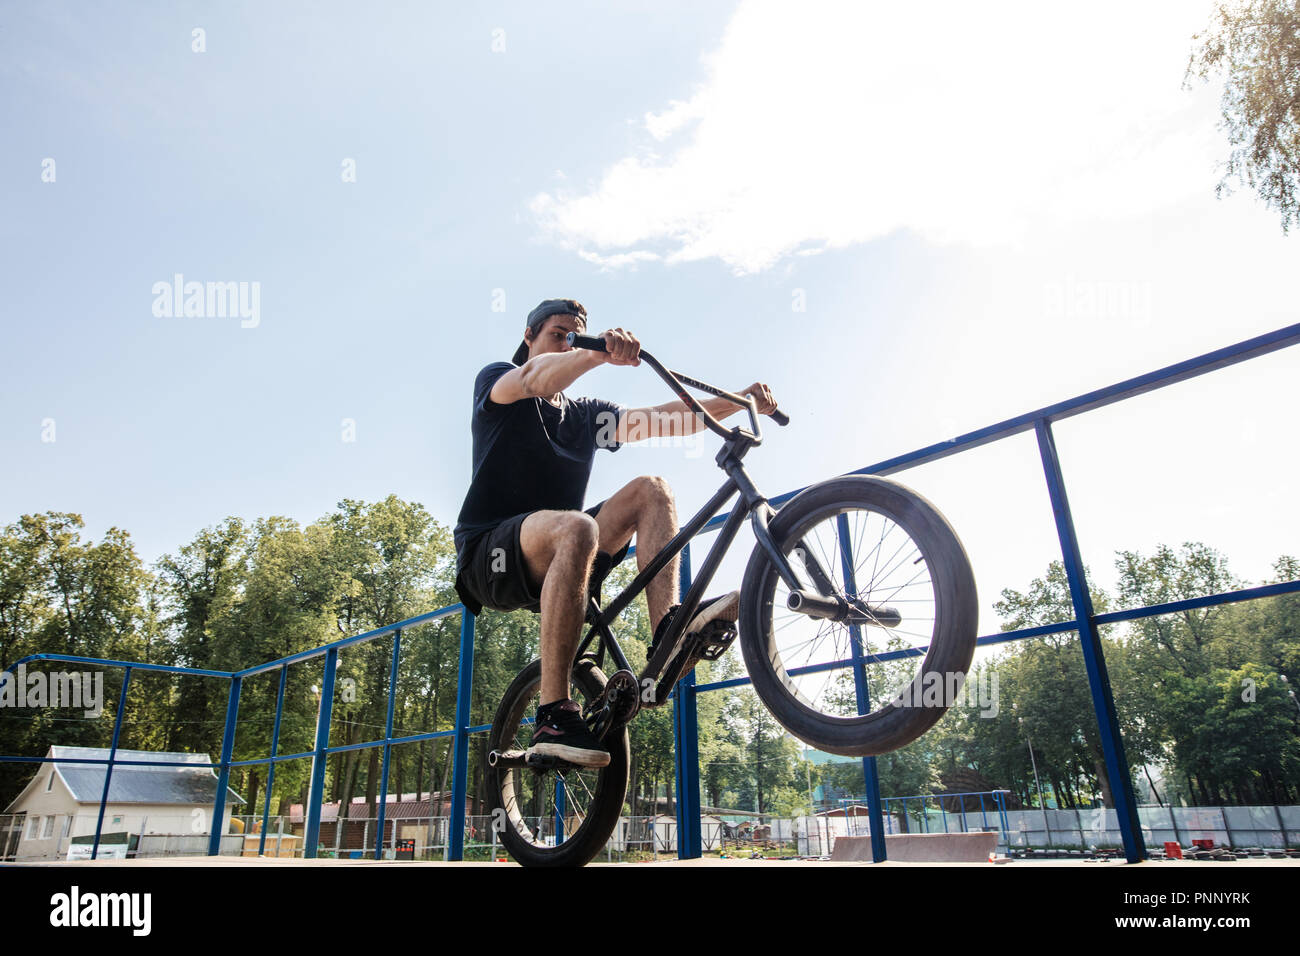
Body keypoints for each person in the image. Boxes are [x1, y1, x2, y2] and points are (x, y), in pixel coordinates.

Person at [452, 298, 777, 767]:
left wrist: (739, 402)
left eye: (574, 336)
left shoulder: (585, 415)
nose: (566, 345)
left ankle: (668, 631)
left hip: (565, 553)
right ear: (529, 337)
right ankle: (551, 712)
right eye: (557, 335)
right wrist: (595, 354)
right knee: (577, 526)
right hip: (492, 556)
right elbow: (534, 379)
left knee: (652, 490)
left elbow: (664, 420)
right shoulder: (500, 381)